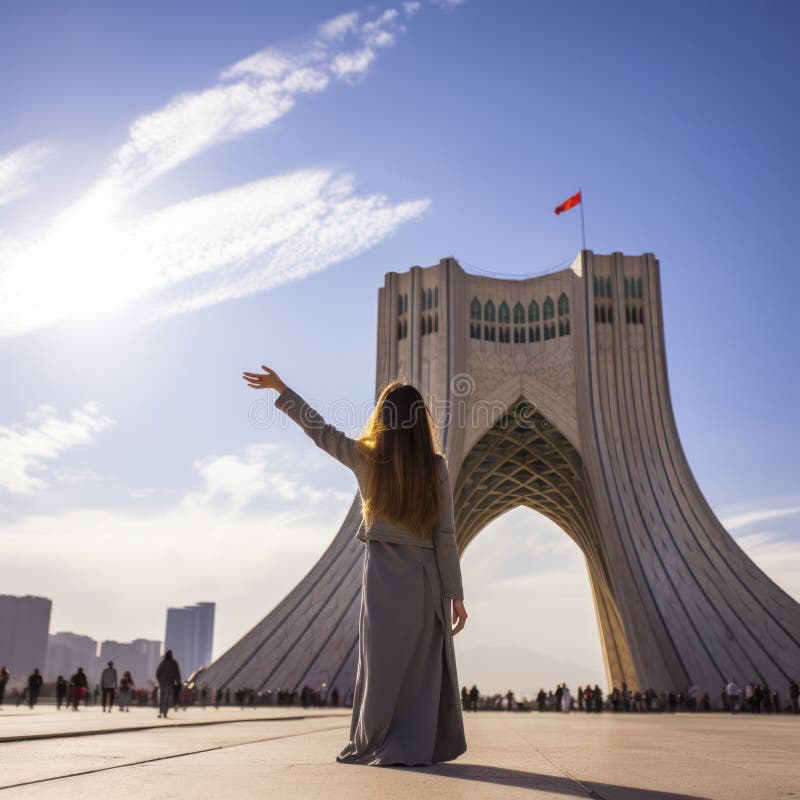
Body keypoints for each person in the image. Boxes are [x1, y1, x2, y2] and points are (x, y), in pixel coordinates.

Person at [244, 366, 468, 766]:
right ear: (421, 423)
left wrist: (282, 390)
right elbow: (445, 535)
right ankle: (418, 743)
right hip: (425, 580)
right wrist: (456, 595)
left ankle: (373, 739)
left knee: (381, 668)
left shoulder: (366, 458)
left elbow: (321, 432)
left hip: (383, 578)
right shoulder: (435, 468)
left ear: (382, 419)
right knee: (420, 669)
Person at [156, 650, 181, 719]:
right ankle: (165, 713)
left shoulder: (162, 663)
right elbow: (177, 673)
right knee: (167, 699)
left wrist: (160, 681)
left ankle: (160, 712)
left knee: (162, 698)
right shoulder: (174, 663)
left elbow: (157, 673)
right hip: (170, 683)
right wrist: (178, 681)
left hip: (162, 684)